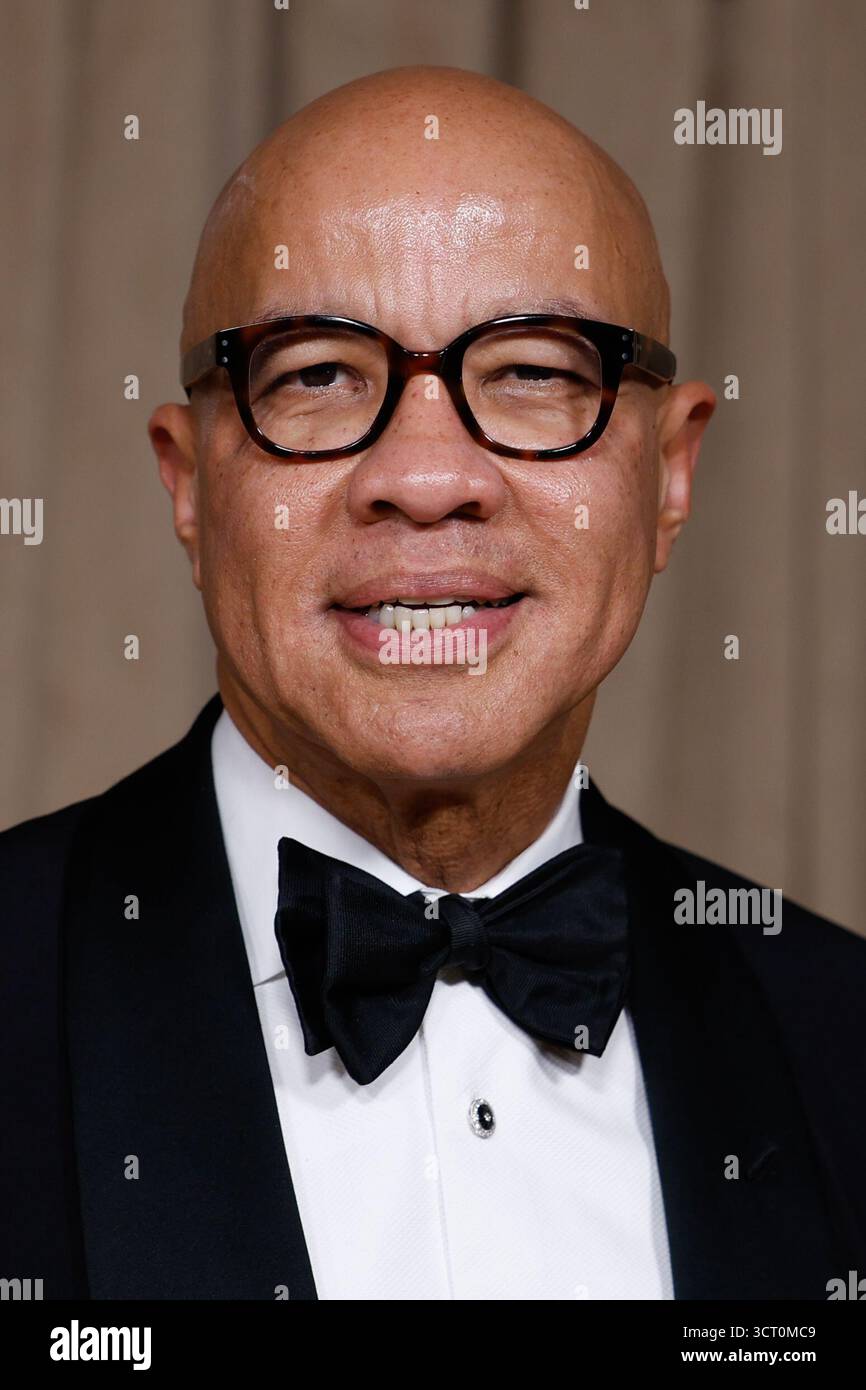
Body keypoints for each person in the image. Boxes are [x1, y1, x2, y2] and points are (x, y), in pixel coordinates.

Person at [2, 66, 864, 1302]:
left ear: (669, 474)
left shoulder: (842, 1034)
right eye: (313, 375)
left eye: (530, 371)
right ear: (187, 485)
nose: (421, 475)